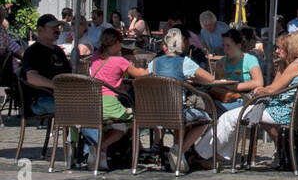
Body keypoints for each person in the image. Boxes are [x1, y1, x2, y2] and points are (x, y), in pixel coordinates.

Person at [192, 31, 269, 166]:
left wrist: (235, 87)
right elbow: (217, 83)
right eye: (223, 46)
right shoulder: (222, 62)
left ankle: (200, 153)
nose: (225, 49)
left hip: (244, 100)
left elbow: (258, 82)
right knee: (201, 110)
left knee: (216, 114)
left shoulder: (250, 60)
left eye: (228, 46)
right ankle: (211, 153)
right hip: (223, 100)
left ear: (238, 45)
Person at [146, 28, 216, 171]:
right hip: (177, 112)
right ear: (181, 45)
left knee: (185, 116)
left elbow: (144, 76)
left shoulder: (154, 63)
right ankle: (179, 149)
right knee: (205, 118)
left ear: (165, 45)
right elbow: (210, 78)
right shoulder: (185, 62)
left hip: (155, 113)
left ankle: (176, 153)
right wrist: (192, 77)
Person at [82, 28, 149, 169]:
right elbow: (141, 74)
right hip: (110, 104)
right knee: (125, 126)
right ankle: (98, 146)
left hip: (94, 102)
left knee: (109, 126)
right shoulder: (120, 61)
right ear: (117, 43)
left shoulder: (96, 56)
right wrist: (134, 60)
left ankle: (101, 158)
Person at [253, 28, 298, 156]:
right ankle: (281, 149)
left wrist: (259, 90)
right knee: (258, 109)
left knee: (253, 111)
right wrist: (281, 66)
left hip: (289, 110)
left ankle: (281, 149)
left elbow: (273, 89)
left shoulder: (297, 65)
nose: (277, 51)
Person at [20, 14, 71, 115]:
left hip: (62, 97)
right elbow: (32, 78)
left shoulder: (58, 51)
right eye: (53, 27)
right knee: (77, 110)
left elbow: (68, 74)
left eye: (58, 27)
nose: (57, 30)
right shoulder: (33, 51)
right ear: (40, 29)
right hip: (41, 99)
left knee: (89, 106)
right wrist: (56, 86)